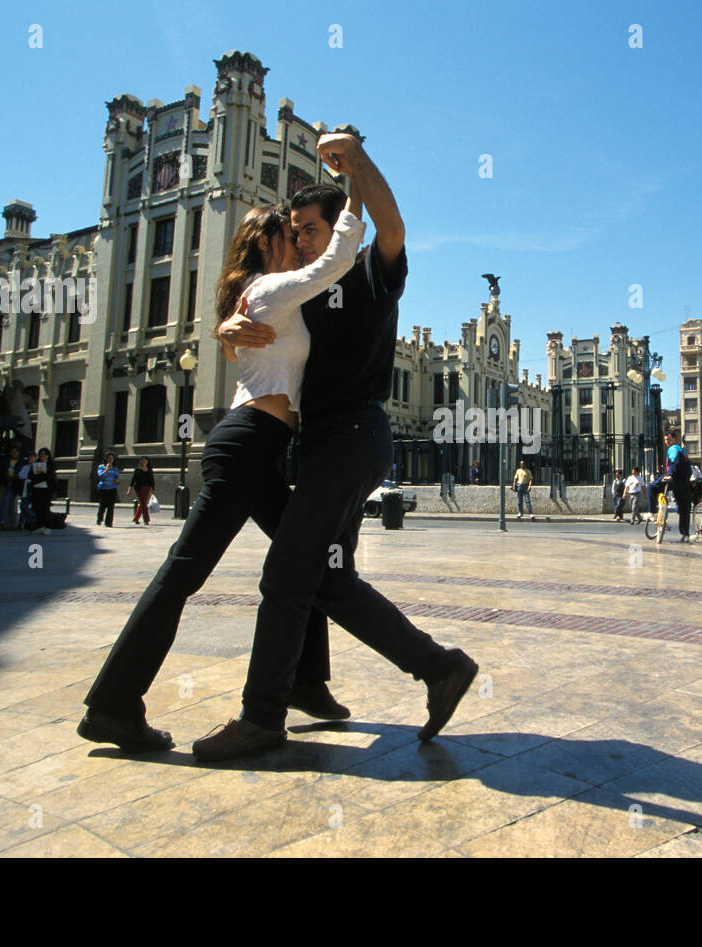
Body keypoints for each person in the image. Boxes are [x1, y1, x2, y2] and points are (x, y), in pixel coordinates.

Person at [199, 133, 478, 761]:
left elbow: (393, 223)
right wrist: (223, 329)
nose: (298, 239)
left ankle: (262, 716)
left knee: (287, 570)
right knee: (329, 577)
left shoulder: (370, 276)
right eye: (293, 230)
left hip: (354, 436)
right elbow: (253, 326)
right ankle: (435, 669)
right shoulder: (300, 290)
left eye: (308, 228)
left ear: (336, 228)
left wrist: (357, 161)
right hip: (318, 444)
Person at [81, 188, 363, 754]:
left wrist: (222, 332)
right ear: (264, 242)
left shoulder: (264, 295)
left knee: (301, 557)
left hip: (255, 444)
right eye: (289, 231)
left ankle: (306, 682)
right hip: (247, 445)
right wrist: (354, 185)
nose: (299, 237)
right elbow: (339, 258)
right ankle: (113, 704)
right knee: (183, 573)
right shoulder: (271, 287)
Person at [27, 448, 55, 534]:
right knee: (37, 508)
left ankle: (47, 526)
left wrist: (40, 476)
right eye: (41, 454)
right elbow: (31, 475)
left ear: (48, 455)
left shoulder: (50, 465)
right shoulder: (35, 464)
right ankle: (39, 525)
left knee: (45, 508)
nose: (43, 456)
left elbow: (49, 477)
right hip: (36, 488)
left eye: (45, 454)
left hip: (46, 489)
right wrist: (40, 477)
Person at [0, 445, 23, 528]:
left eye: (16, 452)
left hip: (17, 484)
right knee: (5, 502)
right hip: (7, 483)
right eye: (12, 452)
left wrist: (17, 476)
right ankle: (2, 522)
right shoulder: (6, 461)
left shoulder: (22, 462)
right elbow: (1, 471)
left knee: (16, 504)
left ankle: (16, 523)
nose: (14, 454)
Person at [127, 457, 155, 526]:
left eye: (146, 460)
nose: (144, 462)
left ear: (148, 462)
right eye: (143, 460)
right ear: (141, 461)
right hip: (139, 488)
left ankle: (136, 518)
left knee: (143, 503)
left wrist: (153, 488)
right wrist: (129, 489)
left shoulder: (149, 470)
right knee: (143, 503)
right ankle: (146, 519)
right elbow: (133, 479)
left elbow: (152, 480)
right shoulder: (137, 470)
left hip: (147, 488)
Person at [96, 453, 121, 527]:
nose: (110, 460)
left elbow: (117, 477)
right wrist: (107, 469)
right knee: (102, 505)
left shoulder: (115, 468)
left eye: (112, 458)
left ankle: (109, 522)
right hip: (103, 488)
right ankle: (100, 519)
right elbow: (101, 476)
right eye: (109, 458)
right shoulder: (101, 467)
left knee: (111, 506)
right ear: (106, 459)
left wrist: (116, 481)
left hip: (112, 488)